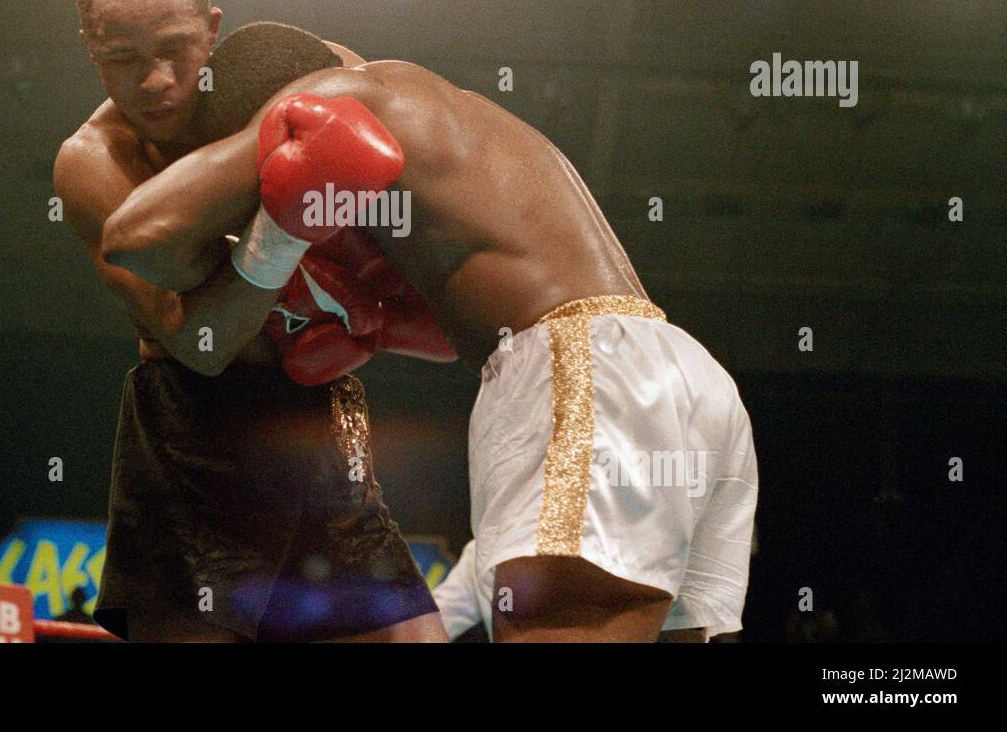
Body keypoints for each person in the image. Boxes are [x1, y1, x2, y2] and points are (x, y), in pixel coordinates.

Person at [101, 51, 759, 642]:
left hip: (582, 372)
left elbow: (135, 234)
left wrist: (274, 228)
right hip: (681, 379)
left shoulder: (331, 101)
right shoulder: (439, 112)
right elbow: (451, 330)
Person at [54, 0, 447, 641]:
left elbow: (424, 187)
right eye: (123, 58)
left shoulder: (302, 86)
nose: (155, 80)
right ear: (90, 47)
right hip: (196, 426)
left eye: (174, 48)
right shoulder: (93, 162)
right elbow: (203, 342)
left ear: (212, 30)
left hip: (318, 412)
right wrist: (288, 223)